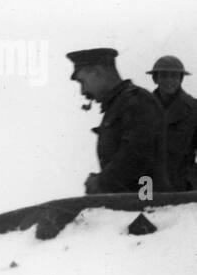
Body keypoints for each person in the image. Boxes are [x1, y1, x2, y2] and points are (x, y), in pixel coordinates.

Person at [67, 48, 169, 194]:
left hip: (146, 203)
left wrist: (101, 182)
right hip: (134, 202)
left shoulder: (137, 101)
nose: (83, 91)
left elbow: (136, 155)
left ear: (97, 72)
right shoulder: (119, 104)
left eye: (82, 82)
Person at [149, 55, 197, 192]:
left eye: (174, 76)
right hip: (147, 181)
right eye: (164, 76)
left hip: (182, 183)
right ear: (155, 78)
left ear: (181, 79)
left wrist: (192, 180)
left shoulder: (194, 108)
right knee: (143, 211)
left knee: (181, 213)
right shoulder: (142, 106)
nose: (169, 81)